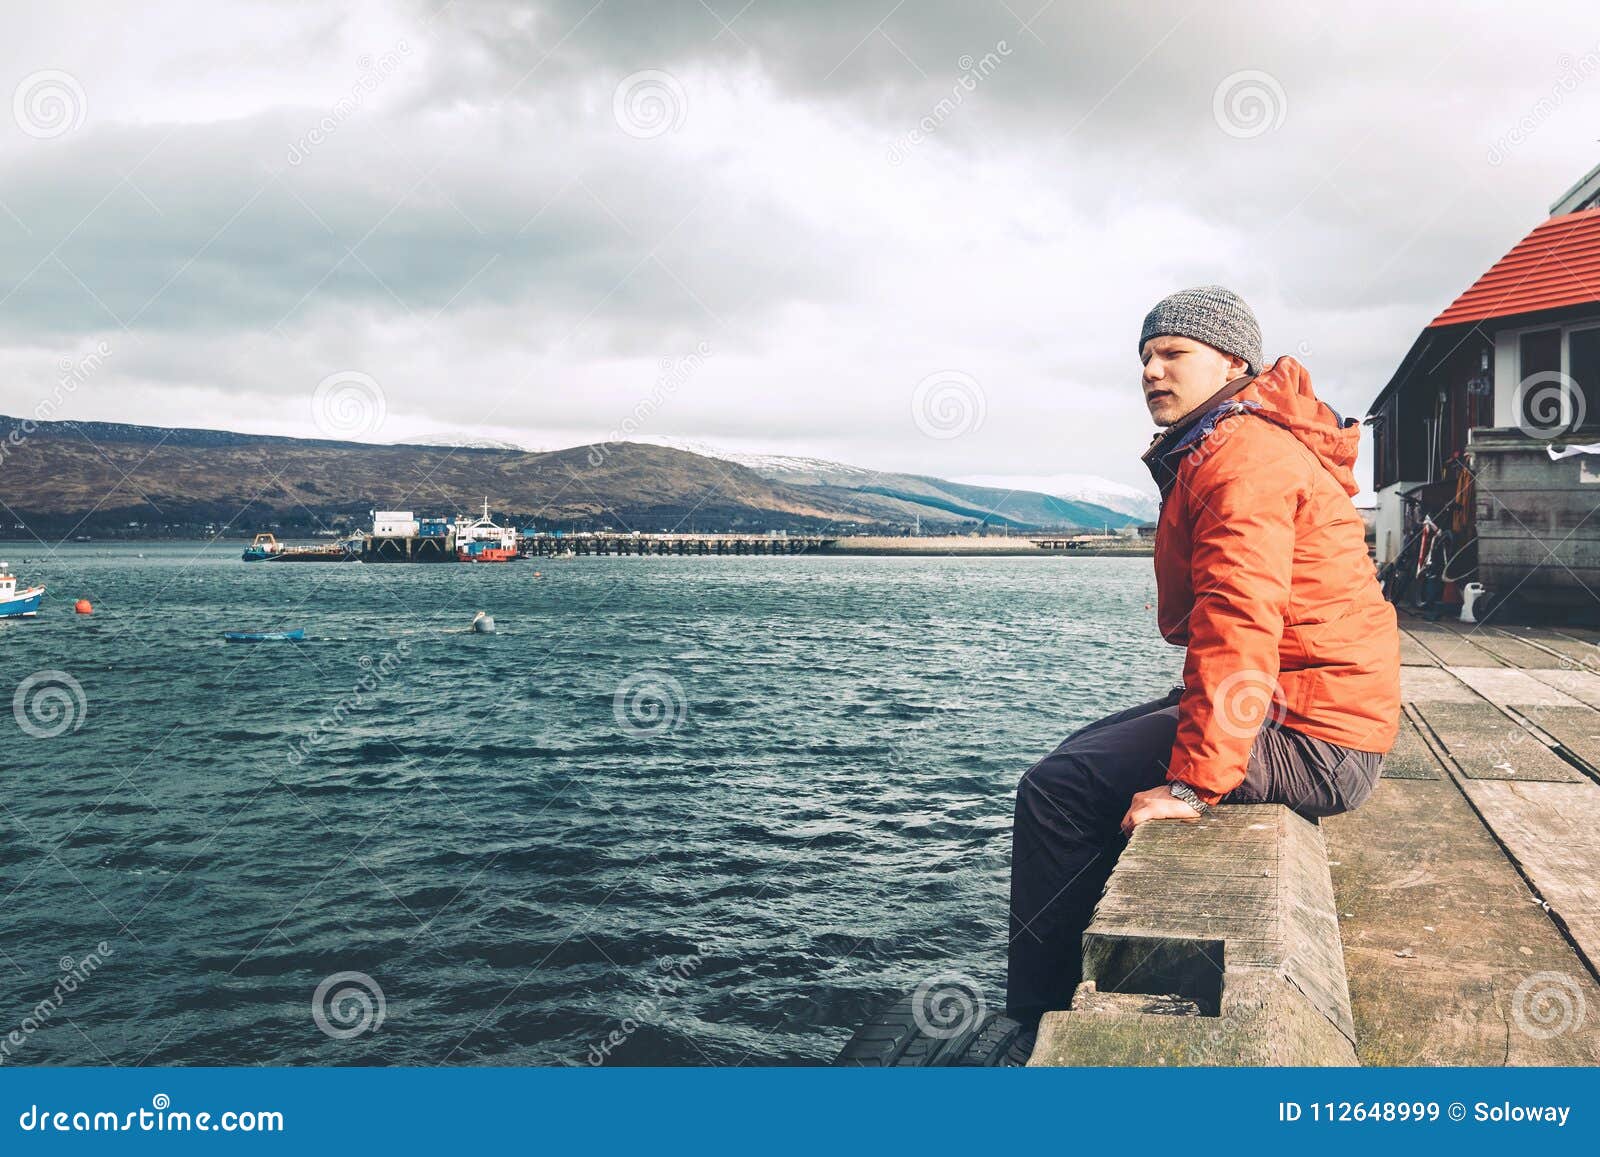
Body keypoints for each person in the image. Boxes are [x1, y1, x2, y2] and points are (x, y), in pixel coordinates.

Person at [1005, 286, 1401, 1033]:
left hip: (1319, 738)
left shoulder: (1240, 455)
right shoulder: (1238, 438)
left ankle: (1038, 1023)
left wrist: (1191, 787)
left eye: (1174, 353)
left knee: (1055, 790)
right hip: (1313, 709)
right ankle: (1068, 979)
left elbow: (1239, 619)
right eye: (1146, 356)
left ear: (1231, 361)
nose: (1153, 370)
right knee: (1078, 755)